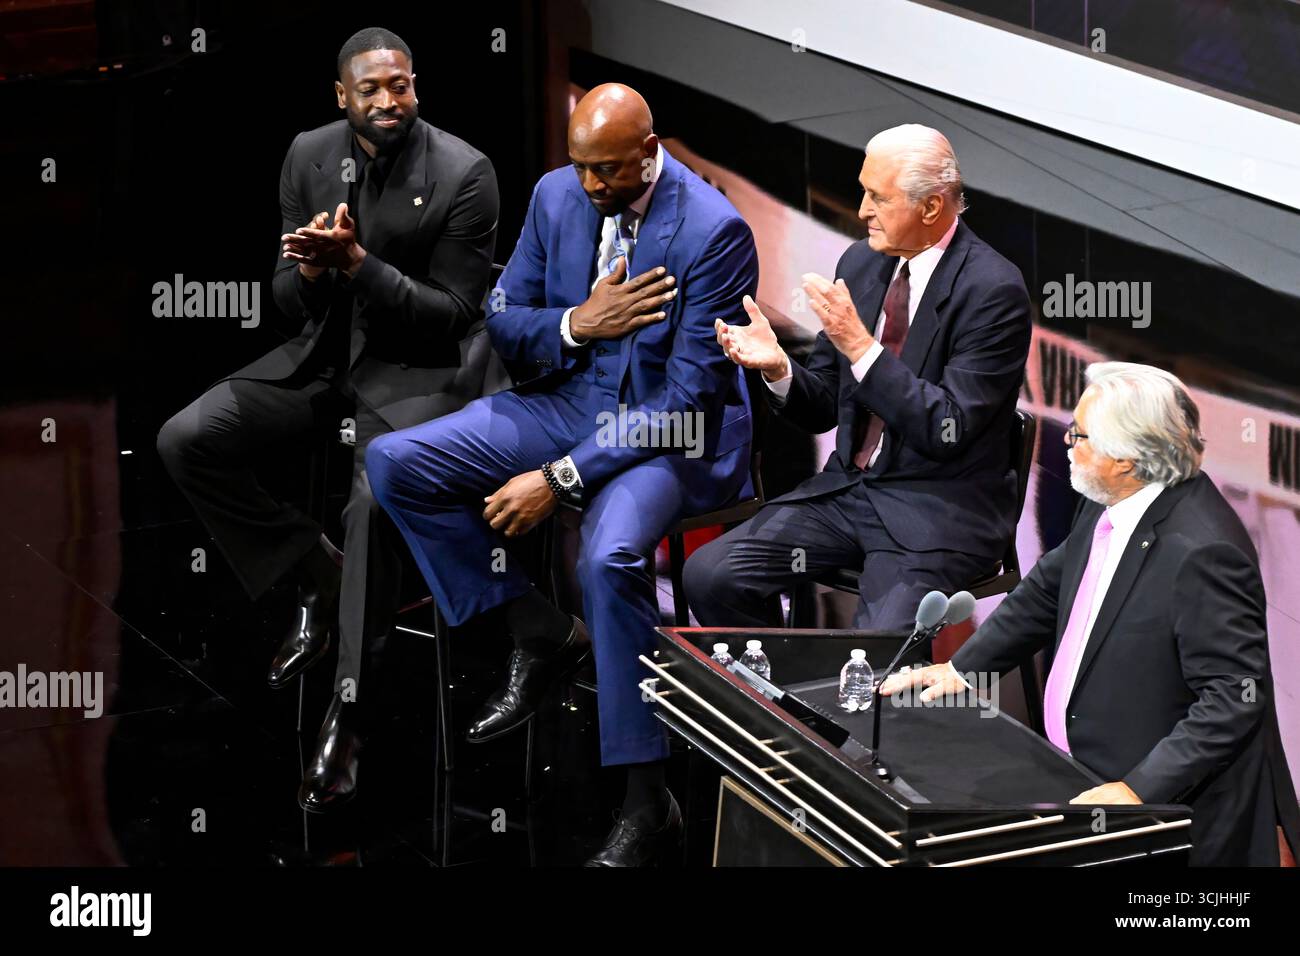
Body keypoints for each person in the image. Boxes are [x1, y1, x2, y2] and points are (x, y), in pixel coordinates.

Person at [366, 83, 758, 866]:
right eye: (581, 167)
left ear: (649, 153)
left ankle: (650, 803)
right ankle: (537, 630)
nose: (590, 186)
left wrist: (565, 479)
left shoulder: (715, 231)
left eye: (608, 171)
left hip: (665, 435)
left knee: (607, 559)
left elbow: (689, 395)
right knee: (393, 461)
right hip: (568, 399)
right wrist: (580, 323)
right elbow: (506, 318)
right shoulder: (554, 195)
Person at [155, 27, 499, 812]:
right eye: (371, 90)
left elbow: (449, 317)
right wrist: (309, 271)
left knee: (373, 505)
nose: (389, 102)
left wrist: (357, 266)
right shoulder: (307, 154)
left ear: (417, 85)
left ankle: (349, 718)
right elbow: (283, 303)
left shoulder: (464, 171)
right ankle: (314, 567)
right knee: (185, 439)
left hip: (418, 376)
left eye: (401, 86)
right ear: (341, 96)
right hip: (321, 361)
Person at [883, 362, 1300, 866]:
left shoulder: (1202, 553)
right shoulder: (1108, 499)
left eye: (1080, 436)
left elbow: (1232, 699)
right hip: (1079, 778)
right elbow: (1046, 588)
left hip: (1162, 818)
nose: (1066, 444)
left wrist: (1138, 789)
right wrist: (964, 668)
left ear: (1127, 457)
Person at [686, 124, 1031, 630]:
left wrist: (861, 348)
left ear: (931, 208)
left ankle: (842, 705)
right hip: (849, 492)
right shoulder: (863, 262)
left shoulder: (992, 291)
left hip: (937, 509)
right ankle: (783, 699)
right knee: (710, 575)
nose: (863, 210)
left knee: (873, 651)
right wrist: (778, 367)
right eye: (864, 192)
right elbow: (824, 405)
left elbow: (946, 428)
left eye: (878, 197)